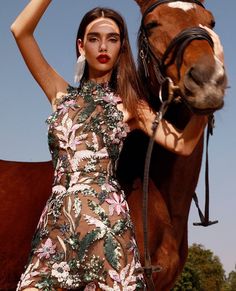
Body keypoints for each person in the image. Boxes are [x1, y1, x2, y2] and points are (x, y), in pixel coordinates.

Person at [10, 1, 224, 290]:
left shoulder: (132, 109)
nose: (103, 46)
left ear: (122, 48)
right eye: (94, 38)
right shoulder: (59, 93)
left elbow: (184, 145)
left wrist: (209, 93)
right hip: (57, 228)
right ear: (81, 46)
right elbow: (20, 31)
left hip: (110, 230)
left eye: (112, 39)